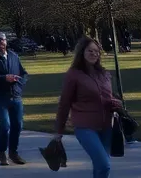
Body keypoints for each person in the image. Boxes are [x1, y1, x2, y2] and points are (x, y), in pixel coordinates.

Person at [52, 37, 123, 178]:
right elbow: (64, 103)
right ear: (82, 52)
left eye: (97, 51)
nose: (94, 54)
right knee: (104, 165)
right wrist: (58, 131)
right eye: (90, 51)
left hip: (107, 126)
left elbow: (107, 96)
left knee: (100, 167)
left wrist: (115, 102)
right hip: (85, 127)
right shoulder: (74, 75)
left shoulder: (104, 74)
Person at [0, 30, 29, 166]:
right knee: (5, 125)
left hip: (16, 96)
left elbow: (24, 73)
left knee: (18, 125)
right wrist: (4, 78)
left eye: (3, 40)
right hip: (0, 98)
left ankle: (13, 153)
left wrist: (20, 83)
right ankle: (2, 152)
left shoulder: (14, 56)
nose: (1, 42)